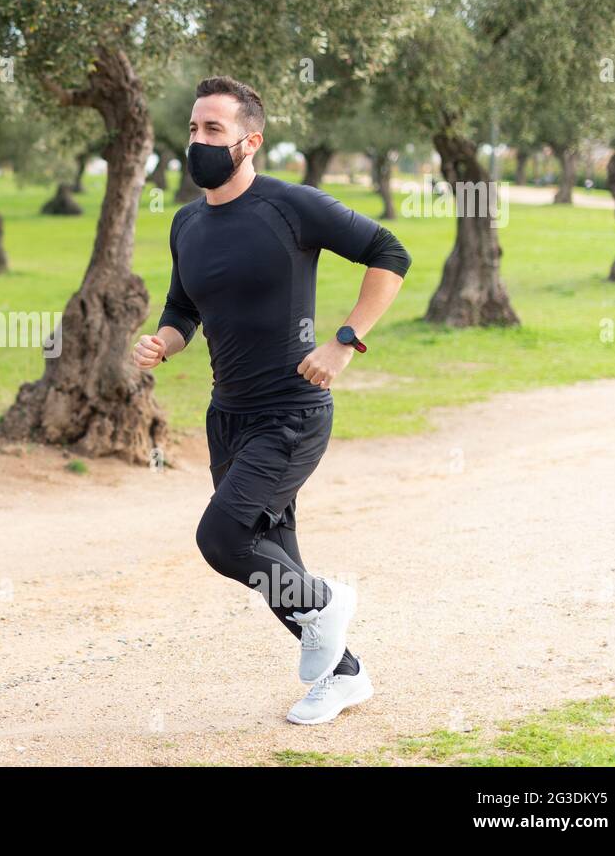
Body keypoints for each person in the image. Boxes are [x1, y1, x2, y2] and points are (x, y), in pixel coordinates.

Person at [132, 76, 412, 725]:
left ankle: (326, 602)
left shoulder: (291, 206)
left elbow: (387, 252)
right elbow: (182, 308)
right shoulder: (187, 222)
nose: (198, 141)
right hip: (226, 415)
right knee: (273, 559)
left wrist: (346, 340)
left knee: (224, 536)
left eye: (214, 131)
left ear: (250, 141)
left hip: (293, 412)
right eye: (194, 129)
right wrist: (164, 342)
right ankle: (343, 674)